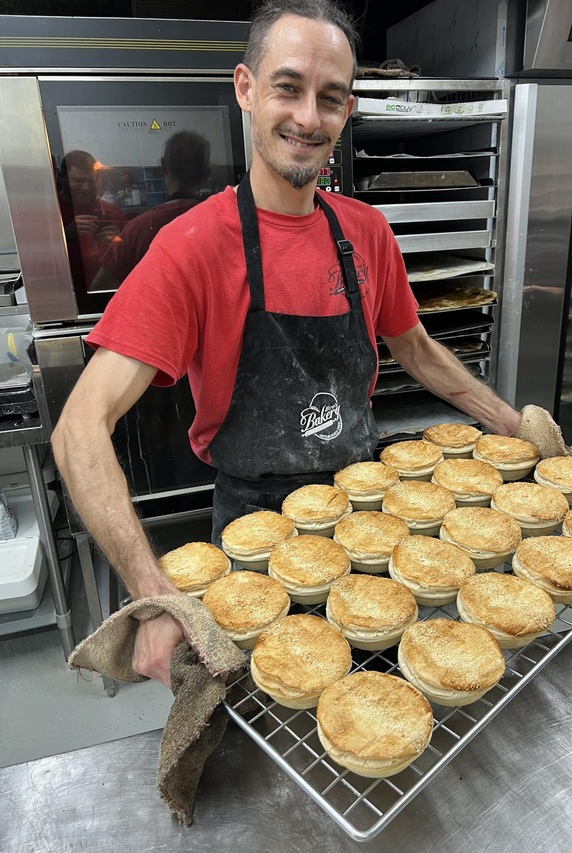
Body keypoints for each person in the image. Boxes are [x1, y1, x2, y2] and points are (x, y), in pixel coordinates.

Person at [52, 0, 521, 688]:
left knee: (380, 694)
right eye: (287, 87)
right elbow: (78, 429)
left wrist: (512, 423)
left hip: (370, 515)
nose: (307, 117)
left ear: (348, 110)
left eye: (329, 98)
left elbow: (417, 348)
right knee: (257, 715)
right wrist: (155, 593)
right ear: (245, 89)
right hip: (252, 537)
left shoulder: (366, 231)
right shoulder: (190, 247)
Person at [90, 131, 211, 291]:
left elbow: (99, 290)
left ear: (163, 167)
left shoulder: (137, 230)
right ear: (206, 174)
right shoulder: (222, 225)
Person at [57, 150, 127, 288]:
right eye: (78, 181)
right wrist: (66, 235)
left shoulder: (112, 212)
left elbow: (134, 258)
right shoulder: (50, 212)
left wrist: (117, 242)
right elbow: (37, 262)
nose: (86, 187)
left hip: (107, 297)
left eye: (91, 181)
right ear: (62, 178)